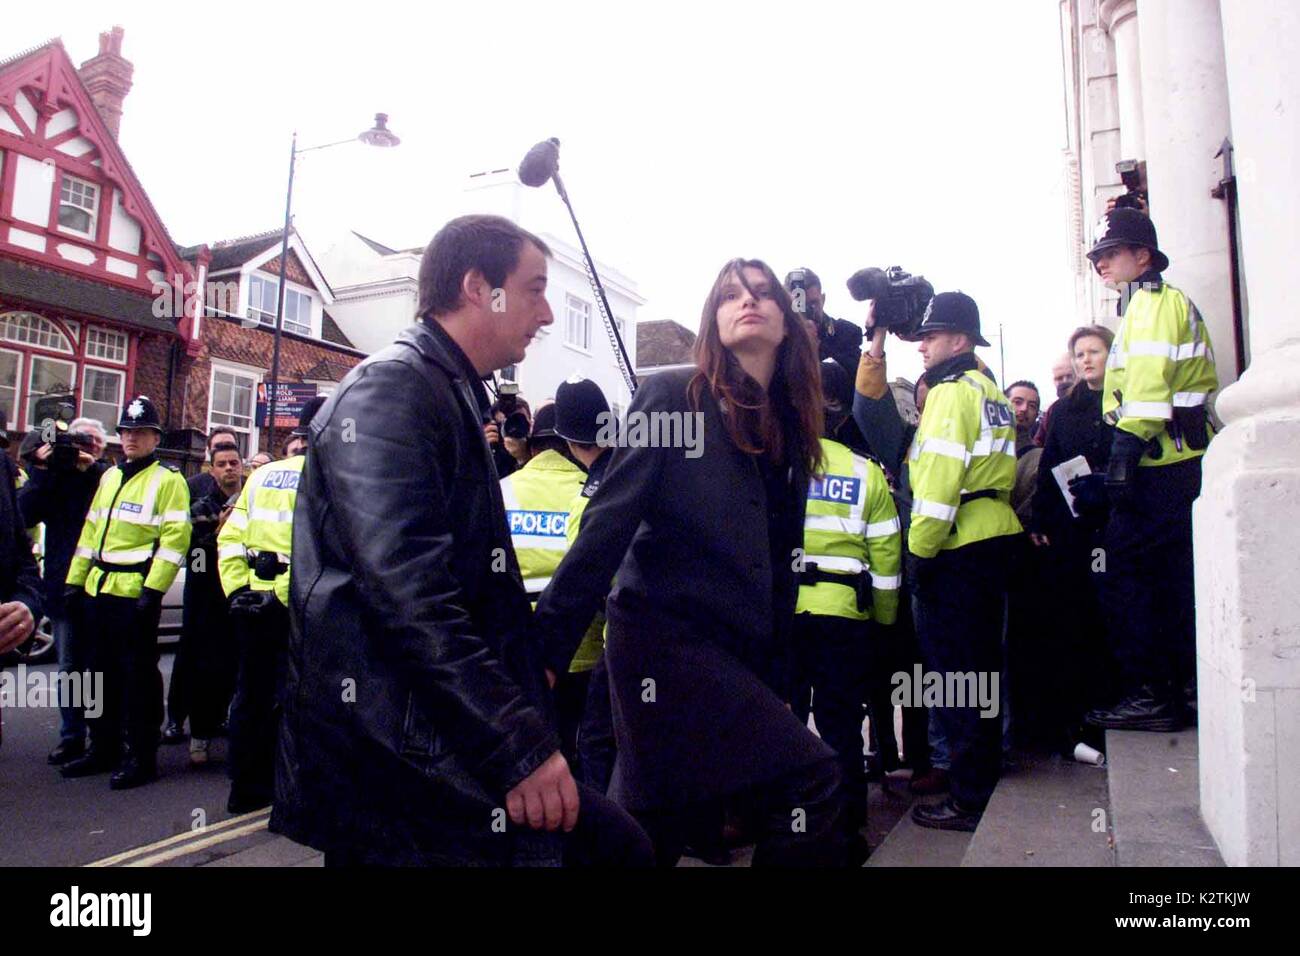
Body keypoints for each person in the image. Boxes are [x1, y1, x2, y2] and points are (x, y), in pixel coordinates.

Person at [272, 214, 651, 867]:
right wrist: (519, 749)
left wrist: (530, 668)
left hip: (431, 741)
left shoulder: (445, 390)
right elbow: (411, 602)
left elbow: (467, 585)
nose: (549, 314)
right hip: (403, 758)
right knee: (616, 851)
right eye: (534, 289)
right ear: (480, 287)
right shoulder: (393, 392)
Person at [534, 258, 850, 868]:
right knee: (815, 778)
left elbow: (781, 568)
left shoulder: (788, 424)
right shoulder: (673, 396)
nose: (747, 301)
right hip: (662, 643)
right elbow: (606, 529)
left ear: (786, 324)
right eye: (730, 295)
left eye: (762, 293)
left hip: (731, 651)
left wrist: (777, 682)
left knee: (650, 833)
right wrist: (543, 654)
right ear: (714, 319)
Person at [1084, 208, 1219, 732]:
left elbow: (1147, 390)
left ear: (1141, 256)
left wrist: (1121, 454)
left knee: (1128, 578)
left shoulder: (1153, 304)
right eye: (1097, 257)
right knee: (1166, 581)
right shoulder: (1148, 304)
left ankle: (1153, 693)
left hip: (1160, 463)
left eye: (1109, 254)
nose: (1101, 263)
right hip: (1173, 463)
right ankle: (1176, 688)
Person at [906, 293, 1021, 831]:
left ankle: (968, 797)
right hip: (996, 535)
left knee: (956, 677)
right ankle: (984, 783)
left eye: (931, 336)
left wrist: (920, 553)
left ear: (959, 341)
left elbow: (938, 484)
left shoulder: (950, 395)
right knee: (985, 670)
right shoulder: (991, 392)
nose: (922, 345)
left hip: (956, 546)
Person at [790, 359, 901, 864]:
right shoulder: (865, 472)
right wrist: (882, 619)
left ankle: (790, 827)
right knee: (840, 728)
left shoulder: (782, 467)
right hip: (845, 618)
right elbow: (886, 561)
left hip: (788, 616)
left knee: (785, 725)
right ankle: (848, 832)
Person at [61, 396, 191, 789]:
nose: (132, 438)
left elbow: (174, 540)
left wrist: (152, 591)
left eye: (140, 432)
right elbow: (90, 533)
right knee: (96, 674)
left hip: (134, 593)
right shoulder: (110, 477)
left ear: (155, 437)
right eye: (127, 431)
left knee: (137, 678)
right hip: (98, 587)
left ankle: (141, 754)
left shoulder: (169, 480)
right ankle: (102, 745)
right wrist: (74, 580)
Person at [217, 397, 322, 812]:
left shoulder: (263, 476)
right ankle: (292, 793)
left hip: (252, 605)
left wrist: (238, 591)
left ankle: (244, 789)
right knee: (300, 701)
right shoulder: (333, 480)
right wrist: (279, 597)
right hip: (299, 608)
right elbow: (325, 554)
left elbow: (229, 538)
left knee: (251, 696)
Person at [1027, 325, 1117, 751]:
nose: (1085, 360)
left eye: (1094, 351)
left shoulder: (1128, 400)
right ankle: (1078, 721)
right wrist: (1040, 521)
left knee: (1116, 620)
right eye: (1079, 353)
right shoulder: (1064, 410)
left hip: (1119, 528)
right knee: (1076, 623)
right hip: (1074, 531)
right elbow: (1049, 469)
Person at [499, 401, 588, 766]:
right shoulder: (590, 493)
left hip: (513, 645)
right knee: (577, 751)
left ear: (532, 445)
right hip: (579, 653)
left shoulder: (500, 491)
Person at [17, 417, 110, 766]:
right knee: (71, 667)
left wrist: (88, 468)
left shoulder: (106, 477)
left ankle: (100, 736)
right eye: (81, 441)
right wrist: (43, 469)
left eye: (95, 441)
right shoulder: (56, 480)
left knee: (98, 667)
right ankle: (72, 736)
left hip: (101, 586)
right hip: (63, 586)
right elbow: (22, 513)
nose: (89, 446)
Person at [550, 377, 617, 792]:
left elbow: (583, 582)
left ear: (571, 442)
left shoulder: (590, 498)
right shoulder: (642, 466)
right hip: (686, 630)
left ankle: (605, 840)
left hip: (624, 635)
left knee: (596, 740)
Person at [163, 424, 241, 745]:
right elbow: (192, 548)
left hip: (232, 587)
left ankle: (215, 717)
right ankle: (176, 719)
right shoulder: (194, 489)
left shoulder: (249, 494)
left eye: (233, 460)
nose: (229, 468)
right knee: (190, 653)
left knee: (226, 656)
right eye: (221, 461)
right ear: (211, 464)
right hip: (202, 586)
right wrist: (216, 537)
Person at [784, 267, 863, 381]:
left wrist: (818, 347)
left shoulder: (846, 333)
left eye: (813, 303)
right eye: (801, 305)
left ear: (823, 299)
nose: (808, 310)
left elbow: (858, 381)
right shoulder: (777, 339)